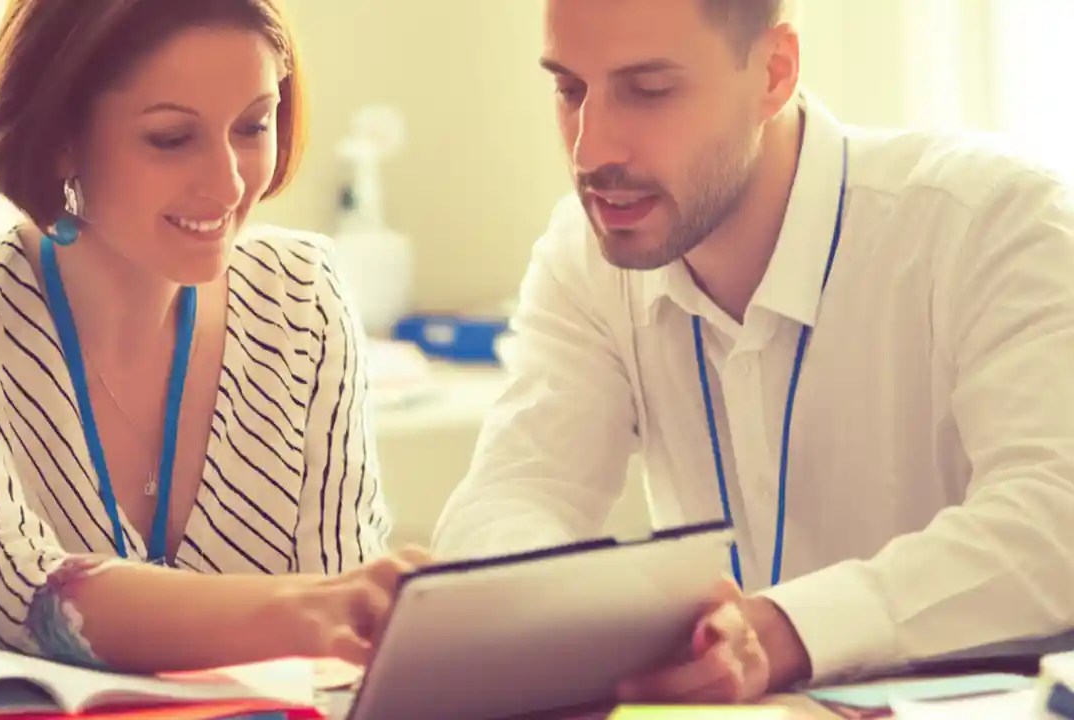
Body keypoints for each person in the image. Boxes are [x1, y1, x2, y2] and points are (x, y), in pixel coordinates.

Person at [433, 0, 1074, 703]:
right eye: (569, 89)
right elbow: (512, 493)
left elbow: (1055, 524)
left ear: (774, 72)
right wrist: (558, 615)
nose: (591, 152)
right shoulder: (583, 259)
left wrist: (783, 631)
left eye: (649, 91)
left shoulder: (990, 220)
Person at [0, 0, 426, 673]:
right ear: (61, 139)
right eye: (171, 138)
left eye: (253, 126)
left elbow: (342, 638)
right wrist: (299, 614)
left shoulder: (301, 294)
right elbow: (3, 593)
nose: (229, 183)